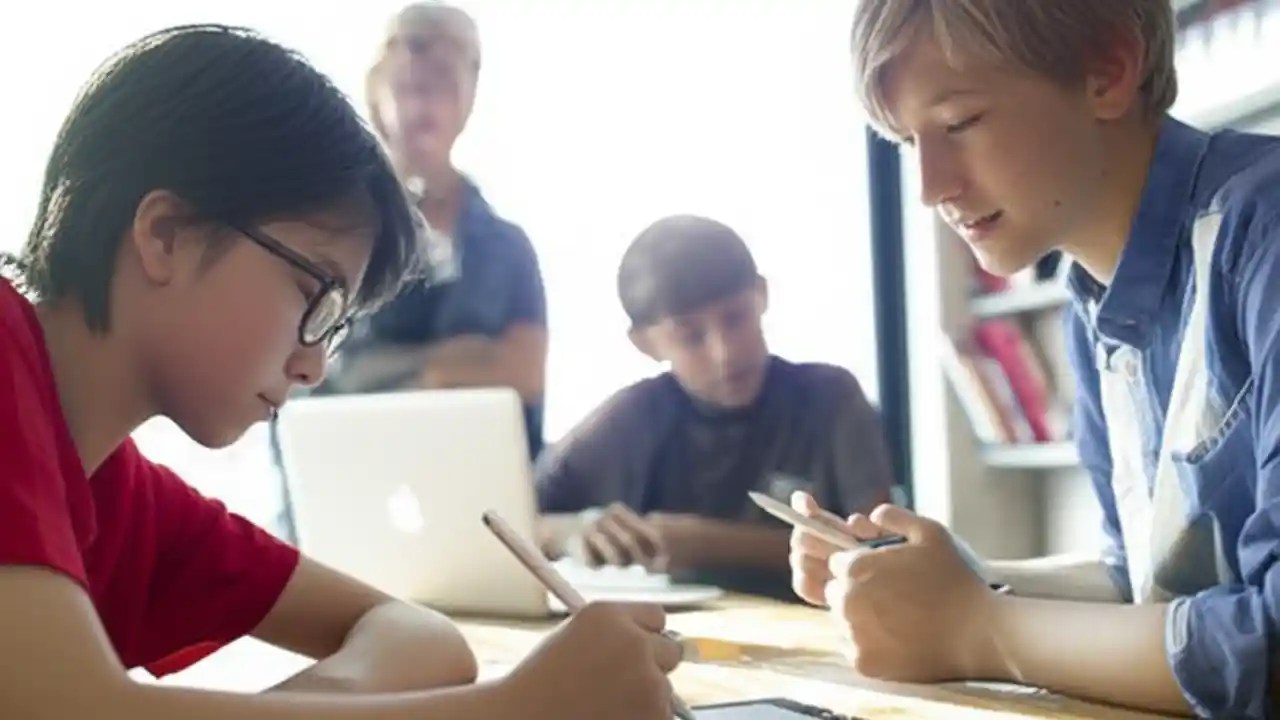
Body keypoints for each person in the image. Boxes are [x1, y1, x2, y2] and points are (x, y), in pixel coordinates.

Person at [0, 24, 678, 719]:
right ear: (166, 235)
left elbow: (420, 636)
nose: (316, 365)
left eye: (336, 323)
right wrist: (520, 708)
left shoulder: (117, 493)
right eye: (313, 295)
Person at [789, 1, 1280, 716]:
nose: (929, 187)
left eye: (960, 122)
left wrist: (977, 629)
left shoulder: (1263, 236)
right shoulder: (1093, 299)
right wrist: (936, 586)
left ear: (1107, 70)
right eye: (906, 142)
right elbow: (1144, 583)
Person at [537, 214, 894, 599]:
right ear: (645, 344)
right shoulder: (631, 417)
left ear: (762, 295)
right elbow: (514, 523)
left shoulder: (830, 399)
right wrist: (571, 531)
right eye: (691, 337)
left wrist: (710, 544)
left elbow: (880, 552)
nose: (725, 353)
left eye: (736, 319)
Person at [318, 1, 548, 459]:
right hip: (357, 469)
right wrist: (453, 364)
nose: (422, 105)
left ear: (468, 98)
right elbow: (318, 373)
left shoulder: (507, 247)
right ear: (376, 94)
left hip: (481, 474)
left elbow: (525, 375)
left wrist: (388, 372)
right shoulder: (335, 232)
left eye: (442, 85)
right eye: (408, 86)